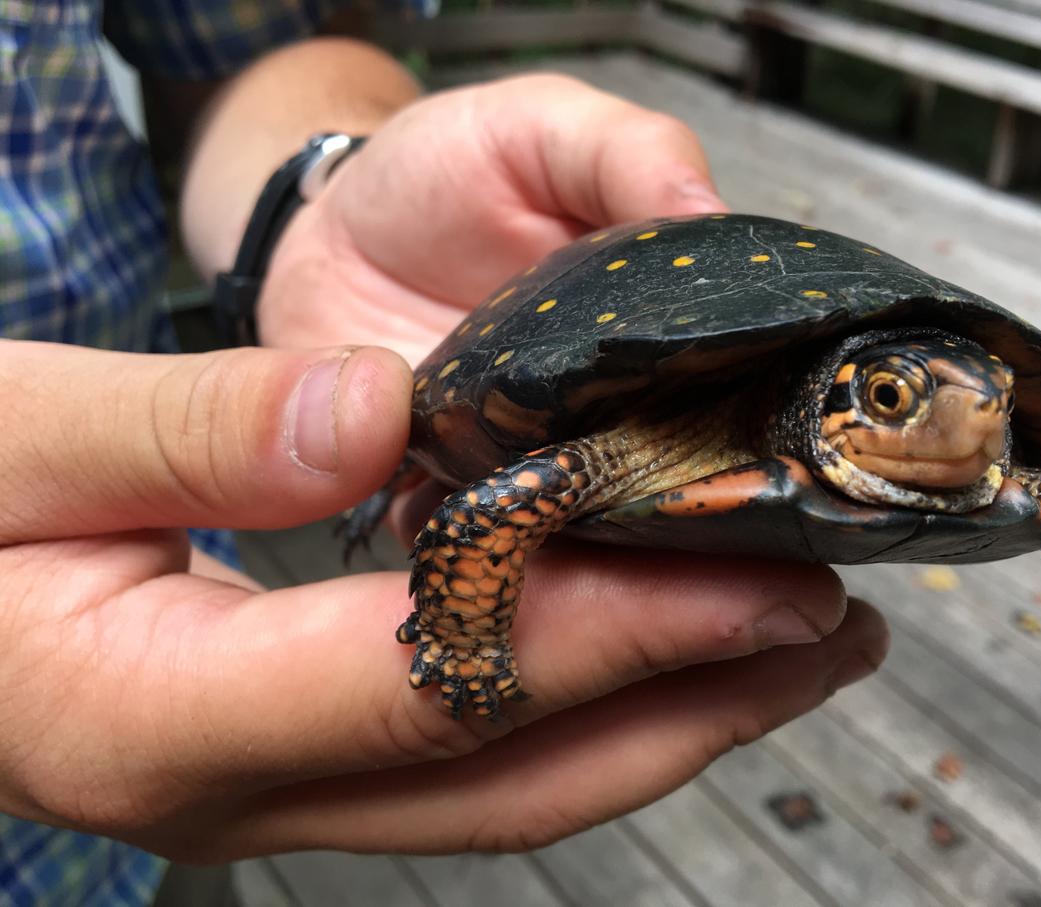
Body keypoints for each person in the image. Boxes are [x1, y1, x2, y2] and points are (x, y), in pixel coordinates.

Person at [0, 0, 890, 903]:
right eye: (894, 399)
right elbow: (500, 500)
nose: (967, 423)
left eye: (992, 402)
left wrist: (313, 207)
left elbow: (234, 65)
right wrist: (463, 640)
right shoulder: (648, 438)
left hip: (141, 842)